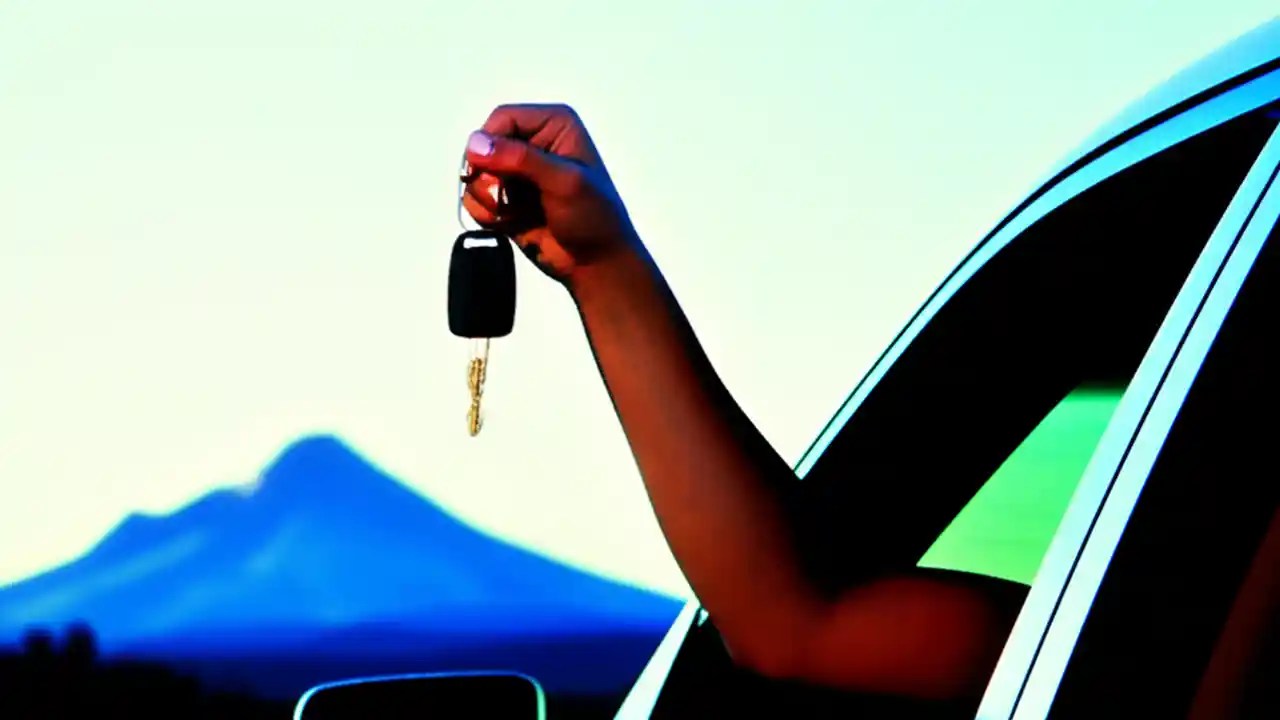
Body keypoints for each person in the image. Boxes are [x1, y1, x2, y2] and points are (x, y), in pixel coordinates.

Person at [459, 104, 1028, 706]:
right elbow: (795, 622)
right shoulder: (1085, 639)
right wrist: (598, 264)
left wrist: (602, 266)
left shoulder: (1092, 645)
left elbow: (795, 623)